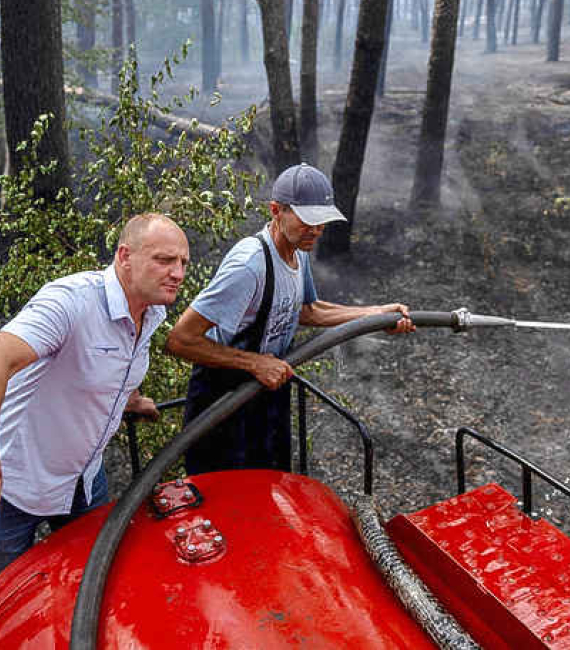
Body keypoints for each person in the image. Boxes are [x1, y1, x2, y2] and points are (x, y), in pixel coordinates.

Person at [0, 213, 189, 590]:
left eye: (183, 263)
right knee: (7, 602)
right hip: (10, 488)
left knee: (90, 590)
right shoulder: (70, 302)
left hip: (84, 483)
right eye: (164, 260)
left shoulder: (151, 312)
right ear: (124, 256)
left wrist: (130, 400)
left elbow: (110, 368)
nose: (178, 273)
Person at [166, 163, 414, 475]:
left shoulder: (299, 251)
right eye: (308, 220)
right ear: (276, 211)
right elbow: (180, 339)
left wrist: (375, 313)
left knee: (273, 485)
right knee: (227, 503)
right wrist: (254, 363)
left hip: (267, 395)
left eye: (322, 221)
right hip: (224, 403)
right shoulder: (249, 266)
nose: (317, 230)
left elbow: (308, 310)